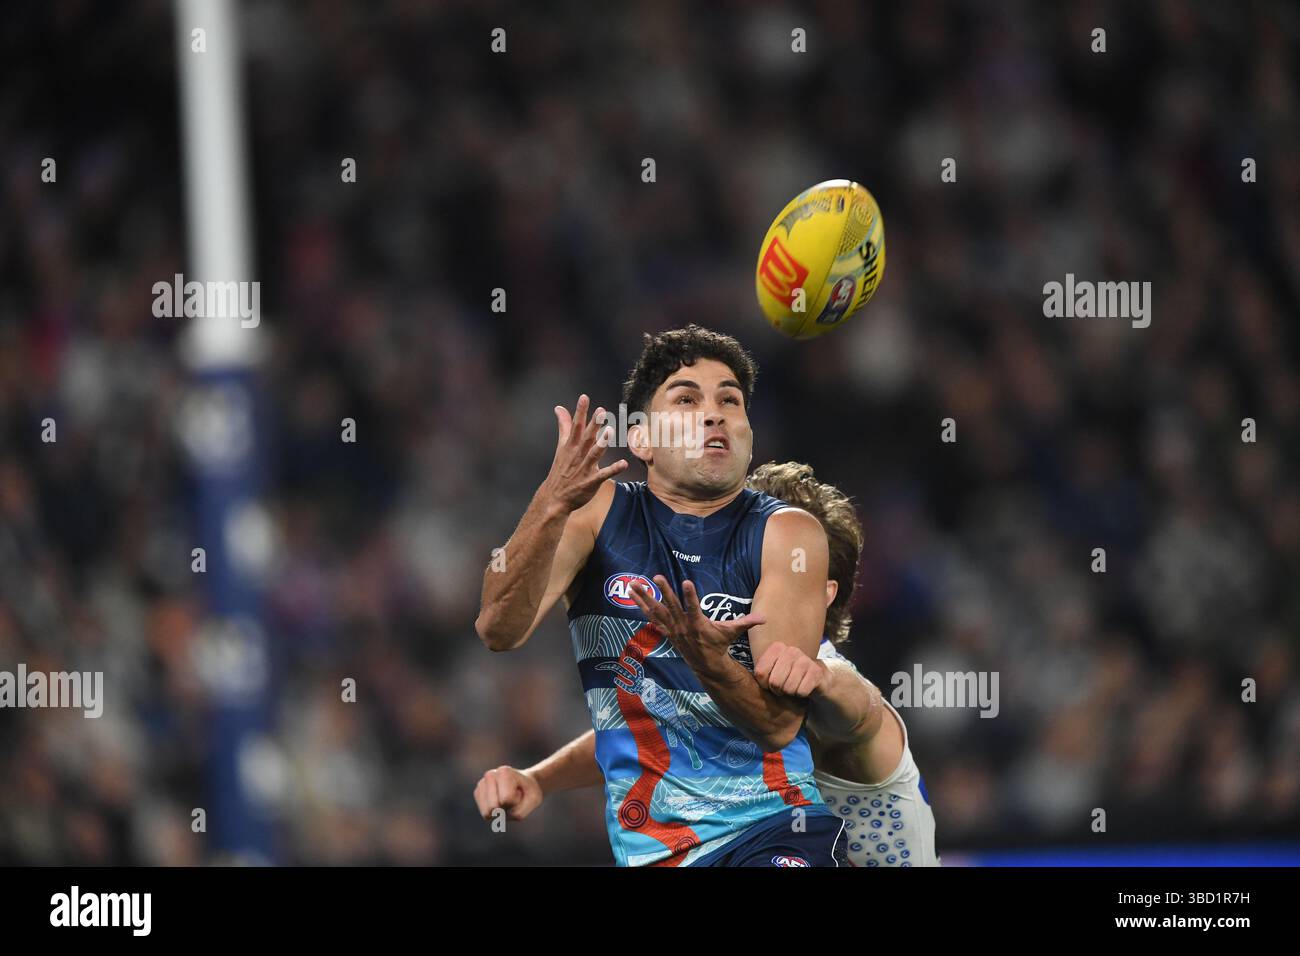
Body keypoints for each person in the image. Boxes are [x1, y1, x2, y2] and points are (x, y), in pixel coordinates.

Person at [474, 324, 845, 866]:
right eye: (687, 399)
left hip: (773, 829)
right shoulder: (597, 512)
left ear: (747, 434)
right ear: (642, 439)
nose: (714, 413)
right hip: (655, 852)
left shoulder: (787, 534)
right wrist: (550, 504)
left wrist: (706, 656)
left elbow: (777, 724)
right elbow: (496, 629)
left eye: (730, 401)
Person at [475, 460, 941, 867]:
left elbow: (861, 710)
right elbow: (664, 732)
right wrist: (538, 779)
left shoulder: (816, 673)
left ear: (822, 589)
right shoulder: (739, 680)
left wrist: (820, 678)